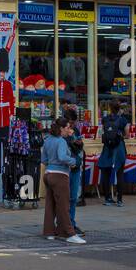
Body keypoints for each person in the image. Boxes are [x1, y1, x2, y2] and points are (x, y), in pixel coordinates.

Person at [41, 117, 85, 244]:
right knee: (63, 205)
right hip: (60, 175)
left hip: (48, 174)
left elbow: (43, 159)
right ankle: (69, 233)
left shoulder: (48, 140)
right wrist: (74, 162)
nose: (69, 130)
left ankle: (49, 232)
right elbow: (62, 156)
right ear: (61, 129)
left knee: (50, 205)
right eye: (67, 127)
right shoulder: (61, 141)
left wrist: (52, 163)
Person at [98, 99, 128, 206]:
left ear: (109, 108)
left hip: (107, 148)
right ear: (119, 108)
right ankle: (119, 200)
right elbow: (127, 134)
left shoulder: (105, 119)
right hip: (119, 147)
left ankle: (107, 198)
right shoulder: (123, 120)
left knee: (106, 173)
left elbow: (102, 132)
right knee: (119, 174)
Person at [62, 104, 85, 235]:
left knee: (73, 197)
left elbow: (80, 146)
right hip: (65, 169)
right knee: (63, 197)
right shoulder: (61, 132)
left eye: (73, 123)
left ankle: (71, 222)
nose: (72, 126)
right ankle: (62, 223)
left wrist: (79, 142)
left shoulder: (76, 131)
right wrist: (70, 138)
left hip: (75, 167)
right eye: (70, 123)